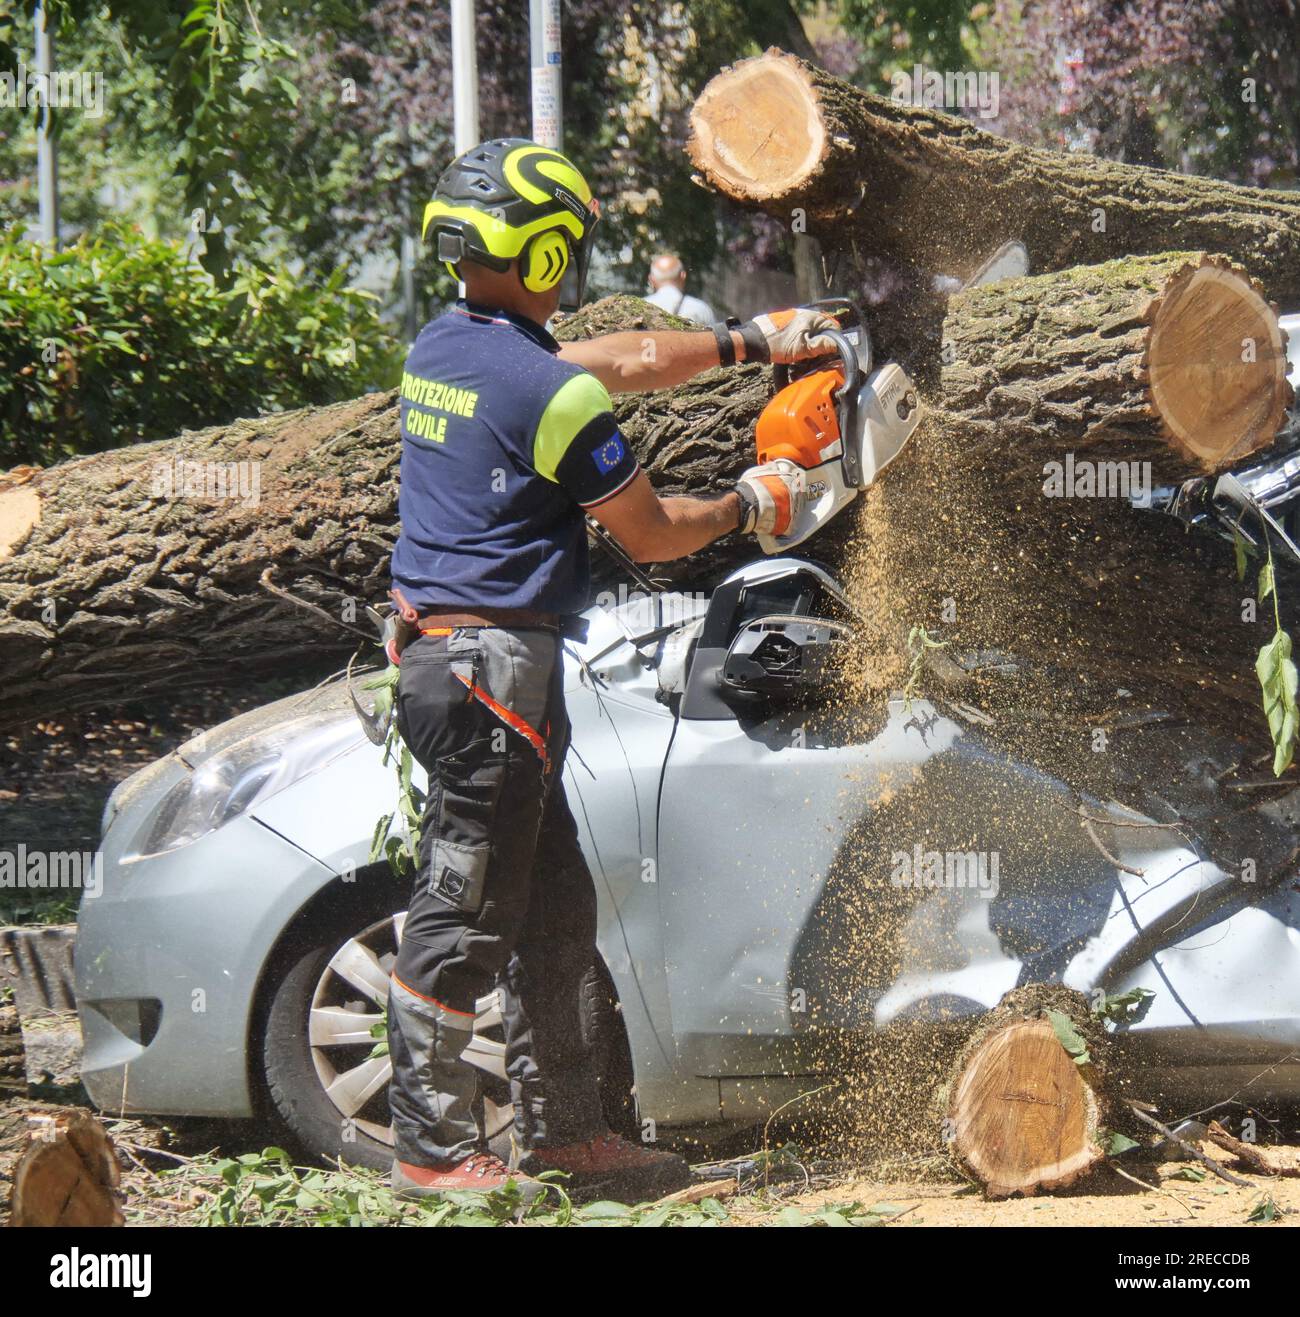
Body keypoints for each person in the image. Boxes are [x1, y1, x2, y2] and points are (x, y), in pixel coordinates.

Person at [385, 137, 835, 1205]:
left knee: (551, 913)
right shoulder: (551, 399)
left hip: (451, 660)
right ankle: (431, 1149)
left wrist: (748, 343)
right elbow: (651, 535)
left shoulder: (444, 351)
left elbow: (619, 359)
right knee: (463, 910)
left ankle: (568, 1135)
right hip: (495, 673)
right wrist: (753, 505)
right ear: (545, 253)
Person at [644, 252, 715, 324]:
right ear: (683, 276)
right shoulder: (700, 309)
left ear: (651, 279)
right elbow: (714, 334)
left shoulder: (641, 308)